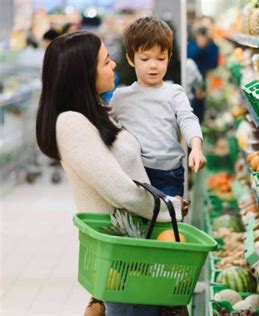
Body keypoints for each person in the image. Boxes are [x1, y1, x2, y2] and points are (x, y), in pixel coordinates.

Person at [35, 30, 189, 316]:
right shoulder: (71, 124)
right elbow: (121, 192)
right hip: (124, 261)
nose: (114, 65)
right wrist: (172, 207)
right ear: (84, 74)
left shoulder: (97, 112)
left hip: (136, 253)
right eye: (106, 62)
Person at [110, 17, 206, 198]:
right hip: (134, 174)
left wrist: (196, 146)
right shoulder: (121, 97)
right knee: (141, 224)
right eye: (145, 58)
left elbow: (188, 118)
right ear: (131, 59)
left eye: (160, 58)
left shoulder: (174, 93)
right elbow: (107, 127)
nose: (153, 65)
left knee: (167, 224)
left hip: (169, 175)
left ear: (169, 57)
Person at [187, 16, 220, 121]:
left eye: (208, 28)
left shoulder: (213, 46)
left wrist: (209, 42)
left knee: (199, 116)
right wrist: (199, 46)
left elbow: (212, 64)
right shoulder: (191, 41)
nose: (204, 31)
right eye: (203, 28)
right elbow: (189, 57)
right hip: (189, 84)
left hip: (203, 85)